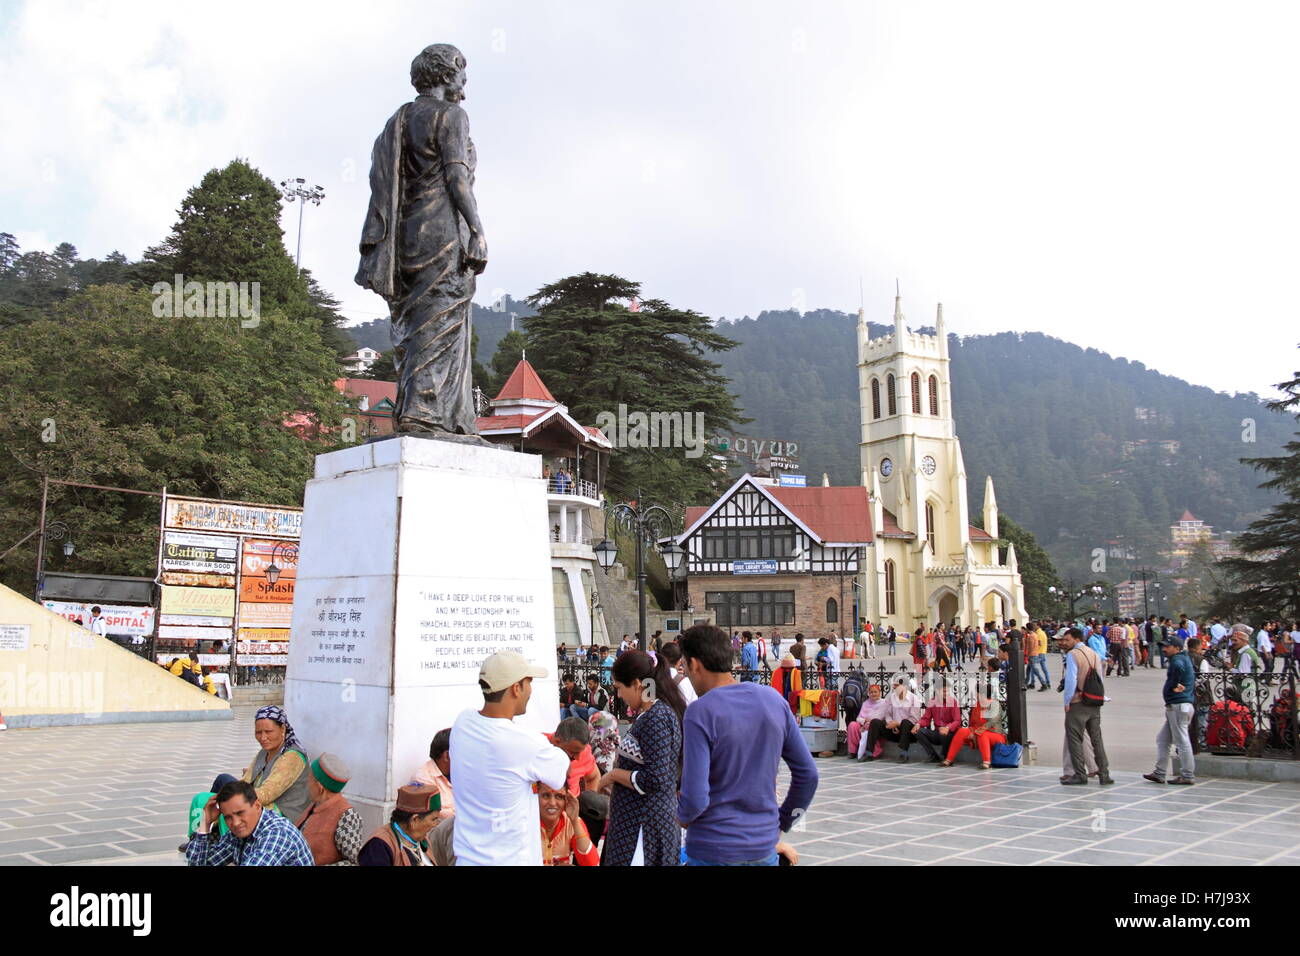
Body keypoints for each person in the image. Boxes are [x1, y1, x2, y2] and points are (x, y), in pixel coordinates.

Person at [676, 624, 816, 866]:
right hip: (763, 848)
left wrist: (682, 816)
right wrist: (780, 824)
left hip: (713, 848)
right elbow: (809, 775)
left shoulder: (700, 711)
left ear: (695, 664)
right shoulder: (773, 700)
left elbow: (696, 797)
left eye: (685, 667)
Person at [450, 651, 571, 866]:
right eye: (529, 683)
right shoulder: (525, 743)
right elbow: (559, 773)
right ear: (516, 688)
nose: (531, 691)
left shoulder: (462, 724)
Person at [598, 649, 687, 866]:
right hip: (638, 825)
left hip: (644, 828)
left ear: (637, 683)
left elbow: (656, 779)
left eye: (619, 688)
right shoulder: (651, 714)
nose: (618, 695)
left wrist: (614, 775)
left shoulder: (657, 717)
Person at [186, 780, 314, 866]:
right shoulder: (237, 833)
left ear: (257, 806)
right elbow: (199, 863)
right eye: (228, 817)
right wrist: (205, 824)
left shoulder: (277, 833)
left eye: (240, 813)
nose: (235, 823)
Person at [1058, 627, 1113, 785]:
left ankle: (1079, 774)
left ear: (1076, 639)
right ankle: (1104, 774)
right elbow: (1099, 678)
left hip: (1078, 701)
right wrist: (1100, 696)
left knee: (1074, 738)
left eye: (1067, 640)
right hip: (1094, 701)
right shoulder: (1093, 653)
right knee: (1096, 739)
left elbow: (1071, 681)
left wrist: (1067, 701)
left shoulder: (1073, 655)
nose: (1065, 642)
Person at [1143, 633, 1196, 786]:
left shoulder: (1178, 660)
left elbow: (1178, 669)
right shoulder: (1181, 658)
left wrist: (1174, 684)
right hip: (1178, 706)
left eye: (1168, 646)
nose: (1164, 649)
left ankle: (1187, 774)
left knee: (1182, 741)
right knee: (1163, 739)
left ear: (1177, 648)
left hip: (1178, 705)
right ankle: (1159, 772)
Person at [295, 753, 364, 866]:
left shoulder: (347, 816)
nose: (307, 784)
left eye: (309, 779)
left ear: (319, 787)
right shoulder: (314, 805)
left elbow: (355, 862)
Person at [549, 717, 607, 843]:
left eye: (580, 752)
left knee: (597, 808)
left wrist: (587, 801)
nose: (578, 757)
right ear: (557, 741)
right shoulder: (538, 746)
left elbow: (593, 777)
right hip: (544, 811)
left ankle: (581, 858)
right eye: (573, 752)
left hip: (571, 810)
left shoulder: (582, 751)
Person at [358, 785, 443, 866]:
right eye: (433, 819)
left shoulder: (421, 839)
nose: (436, 824)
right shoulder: (379, 847)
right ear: (415, 820)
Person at [940, 668, 1005, 769]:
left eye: (977, 692)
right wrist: (971, 732)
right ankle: (949, 759)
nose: (976, 694)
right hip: (977, 732)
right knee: (962, 731)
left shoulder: (994, 704)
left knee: (982, 734)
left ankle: (987, 762)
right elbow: (973, 723)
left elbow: (991, 724)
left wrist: (975, 733)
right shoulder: (977, 705)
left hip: (995, 734)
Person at [538, 781, 600, 866]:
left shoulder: (572, 822)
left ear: (567, 800)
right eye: (546, 795)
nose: (552, 803)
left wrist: (574, 821)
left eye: (559, 796)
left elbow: (591, 864)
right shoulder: (523, 823)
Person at [865, 678, 921, 763]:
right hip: (894, 730)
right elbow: (887, 714)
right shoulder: (892, 697)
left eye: (897, 685)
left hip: (908, 733)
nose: (894, 687)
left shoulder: (914, 699)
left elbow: (914, 719)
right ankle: (869, 753)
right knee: (875, 722)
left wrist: (898, 724)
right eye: (894, 685)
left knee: (905, 722)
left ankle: (904, 753)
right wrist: (891, 723)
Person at [409, 728, 455, 819]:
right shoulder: (422, 778)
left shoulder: (462, 773)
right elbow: (436, 816)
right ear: (447, 756)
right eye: (463, 752)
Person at [914, 680, 962, 763]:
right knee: (919, 732)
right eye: (944, 691)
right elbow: (926, 719)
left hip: (949, 733)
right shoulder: (932, 702)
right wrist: (918, 724)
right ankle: (933, 755)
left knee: (944, 733)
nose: (946, 693)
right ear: (937, 691)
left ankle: (945, 756)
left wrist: (948, 727)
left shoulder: (953, 702)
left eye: (947, 691)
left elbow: (957, 721)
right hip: (937, 732)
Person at [848, 683, 889, 760]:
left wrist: (867, 724)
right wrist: (864, 721)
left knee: (872, 725)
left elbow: (880, 718)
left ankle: (873, 751)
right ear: (868, 694)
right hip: (863, 724)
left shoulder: (884, 703)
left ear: (879, 693)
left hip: (876, 726)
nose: (873, 694)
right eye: (871, 692)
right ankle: (853, 751)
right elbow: (859, 718)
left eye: (875, 692)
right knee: (852, 725)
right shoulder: (866, 703)